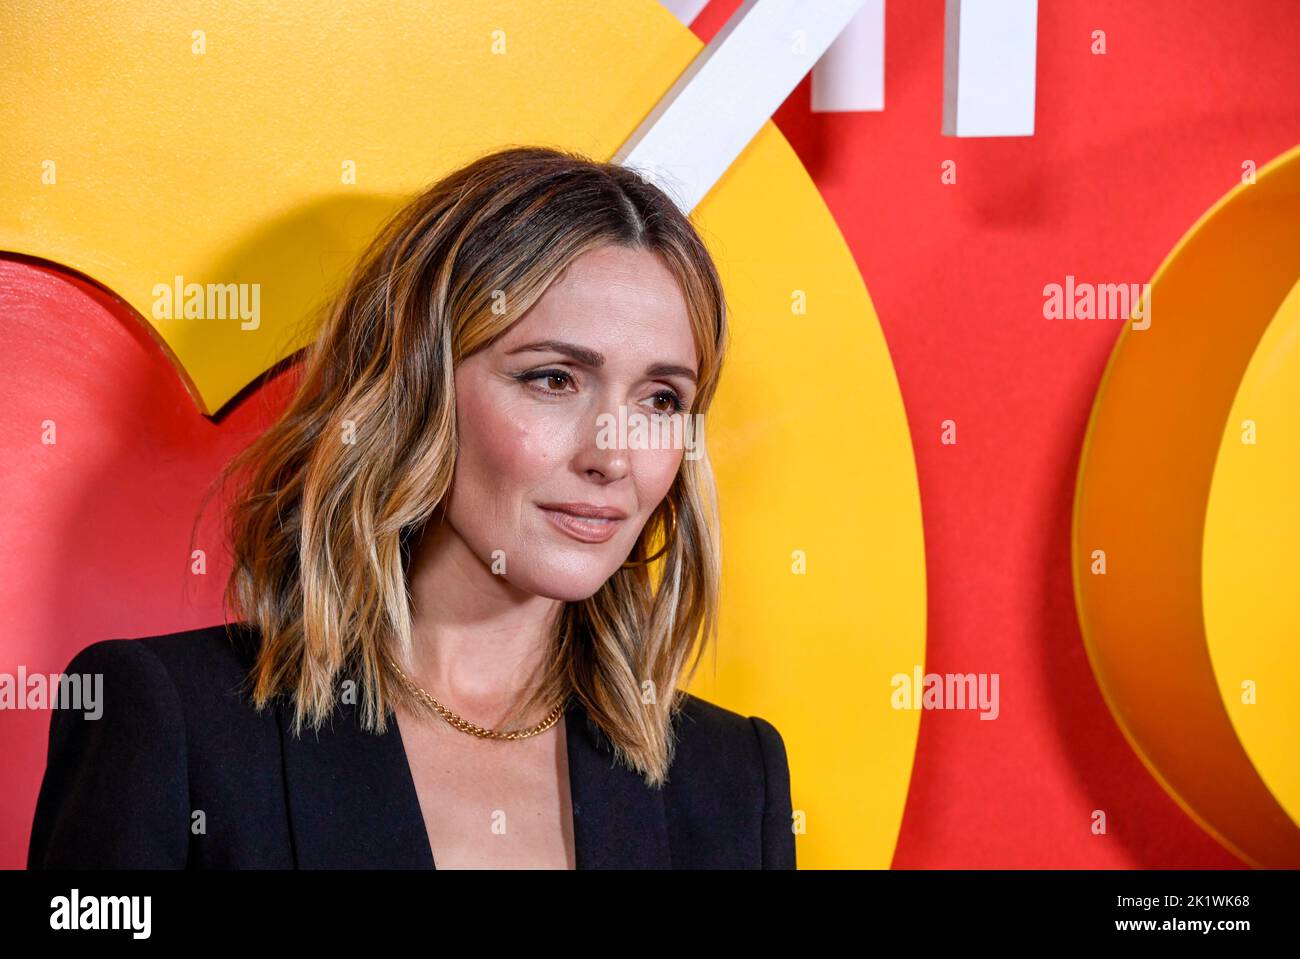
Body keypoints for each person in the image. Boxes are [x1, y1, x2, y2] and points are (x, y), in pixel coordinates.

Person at [28, 145, 796, 869]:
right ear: (416, 388)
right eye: (554, 379)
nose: (612, 454)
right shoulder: (173, 725)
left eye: (661, 398)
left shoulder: (731, 781)